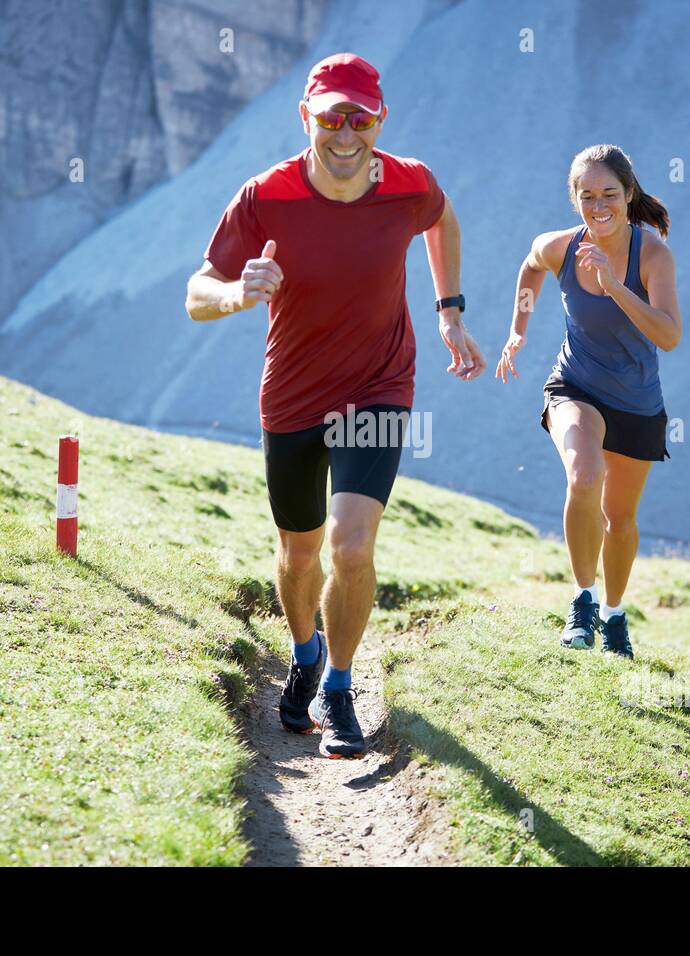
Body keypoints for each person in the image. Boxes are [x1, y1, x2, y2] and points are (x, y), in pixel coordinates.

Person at [185, 53, 485, 757]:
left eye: (360, 118)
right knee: (298, 553)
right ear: (305, 119)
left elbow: (443, 221)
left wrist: (449, 310)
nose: (345, 132)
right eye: (331, 117)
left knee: (352, 546)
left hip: (379, 386)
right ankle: (305, 651)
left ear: (380, 120)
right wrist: (238, 294)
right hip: (291, 394)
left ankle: (341, 687)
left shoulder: (410, 184)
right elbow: (197, 292)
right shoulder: (265, 196)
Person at [495, 145, 681, 658]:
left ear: (629, 196)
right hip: (575, 386)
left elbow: (669, 335)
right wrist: (518, 330)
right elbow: (530, 267)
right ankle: (582, 601)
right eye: (587, 196)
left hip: (638, 403)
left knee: (618, 521)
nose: (599, 207)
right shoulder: (560, 246)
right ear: (574, 199)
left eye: (609, 195)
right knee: (583, 475)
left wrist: (614, 286)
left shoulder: (653, 255)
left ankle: (614, 616)